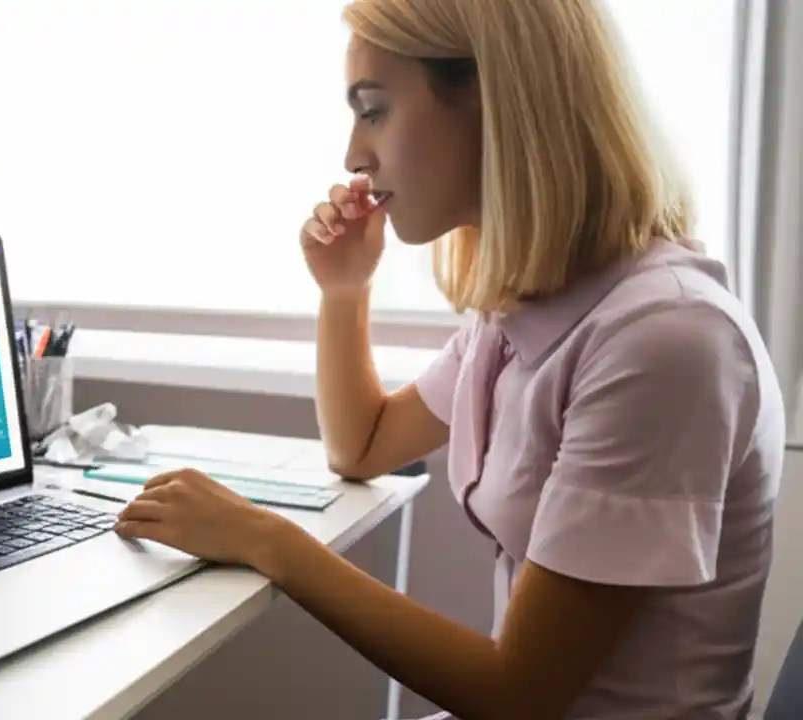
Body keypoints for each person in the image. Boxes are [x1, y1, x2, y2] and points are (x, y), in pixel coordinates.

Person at [112, 1, 786, 717]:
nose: (352, 156)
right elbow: (364, 443)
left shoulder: (664, 342)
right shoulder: (531, 307)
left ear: (494, 100)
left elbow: (515, 692)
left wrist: (261, 538)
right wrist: (345, 291)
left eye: (374, 110)